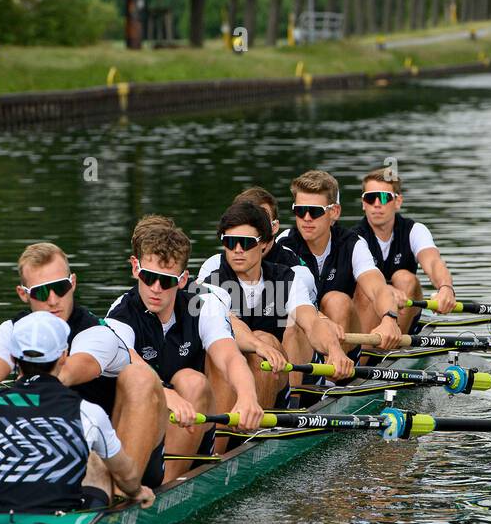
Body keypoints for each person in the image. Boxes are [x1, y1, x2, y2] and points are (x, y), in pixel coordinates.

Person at [0, 242, 166, 487]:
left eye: (61, 287)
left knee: (140, 376)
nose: (54, 300)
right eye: (42, 292)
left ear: (73, 283)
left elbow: (61, 375)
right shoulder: (12, 330)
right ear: (24, 294)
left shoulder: (97, 334)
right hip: (60, 454)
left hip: (118, 456)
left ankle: (121, 497)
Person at [107, 216, 265, 478]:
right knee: (141, 379)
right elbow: (130, 358)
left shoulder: (203, 307)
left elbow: (229, 358)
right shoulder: (120, 314)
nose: (156, 289)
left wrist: (248, 397)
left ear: (182, 280)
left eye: (166, 281)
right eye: (149, 277)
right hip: (145, 425)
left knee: (191, 380)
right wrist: (168, 396)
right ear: (136, 269)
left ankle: (170, 488)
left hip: (195, 424)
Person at [0, 311, 154, 513]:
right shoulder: (88, 413)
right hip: (64, 521)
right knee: (95, 460)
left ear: (12, 357)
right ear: (63, 356)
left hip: (1, 515)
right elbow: (127, 476)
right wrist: (137, 492)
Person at [197, 201, 356, 407]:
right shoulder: (211, 285)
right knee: (255, 344)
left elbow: (311, 321)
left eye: (246, 243)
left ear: (264, 243)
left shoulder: (286, 278)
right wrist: (259, 346)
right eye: (230, 242)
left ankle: (282, 413)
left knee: (287, 328)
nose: (237, 250)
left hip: (278, 372)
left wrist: (334, 350)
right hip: (229, 378)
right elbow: (231, 322)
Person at [275, 169, 404, 351]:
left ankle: (339, 370)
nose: (306, 218)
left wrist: (389, 318)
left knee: (337, 300)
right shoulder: (283, 245)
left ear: (334, 212)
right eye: (300, 210)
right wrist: (322, 321)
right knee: (292, 318)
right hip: (302, 343)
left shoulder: (352, 244)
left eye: (315, 212)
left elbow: (377, 288)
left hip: (344, 340)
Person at [352, 167, 456, 333]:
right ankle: (364, 354)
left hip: (404, 312)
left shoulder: (415, 230)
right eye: (370, 198)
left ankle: (395, 343)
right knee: (364, 289)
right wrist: (386, 292)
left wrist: (445, 288)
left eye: (384, 197)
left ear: (398, 202)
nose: (377, 204)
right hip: (365, 318)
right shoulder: (354, 238)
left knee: (405, 278)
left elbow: (434, 263)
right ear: (364, 204)